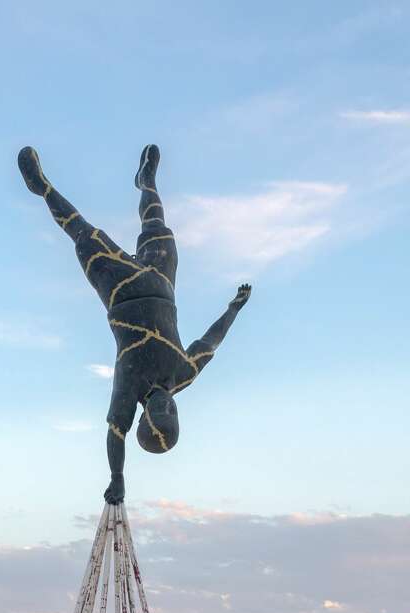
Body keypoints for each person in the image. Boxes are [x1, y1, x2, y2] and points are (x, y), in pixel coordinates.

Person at [18, 144, 252, 504]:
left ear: (144, 418)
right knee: (157, 225)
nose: (166, 404)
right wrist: (234, 308)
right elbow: (209, 343)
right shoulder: (182, 373)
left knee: (83, 233)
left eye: (159, 412)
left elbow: (115, 433)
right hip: (161, 283)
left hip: (121, 287)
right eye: (172, 410)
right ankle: (146, 181)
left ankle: (42, 187)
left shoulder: (130, 384)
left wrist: (117, 478)